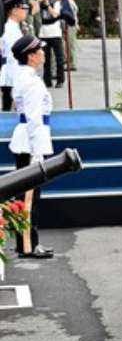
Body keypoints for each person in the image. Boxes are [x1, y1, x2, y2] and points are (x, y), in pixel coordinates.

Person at [10, 34, 54, 259]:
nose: (43, 53)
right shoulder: (31, 82)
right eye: (40, 50)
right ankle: (28, 245)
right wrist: (37, 153)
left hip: (28, 139)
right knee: (29, 197)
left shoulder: (24, 77)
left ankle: (26, 243)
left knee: (27, 195)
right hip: (31, 142)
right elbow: (34, 118)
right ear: (31, 56)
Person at [0, 0, 30, 111]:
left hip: (14, 72)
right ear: (14, 11)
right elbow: (12, 54)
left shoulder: (15, 27)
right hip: (12, 72)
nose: (26, 11)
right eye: (23, 8)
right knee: (9, 107)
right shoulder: (9, 29)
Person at [37, 0, 65, 87]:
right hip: (44, 34)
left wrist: (47, 4)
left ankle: (60, 80)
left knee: (59, 58)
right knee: (46, 59)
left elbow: (55, 14)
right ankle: (47, 80)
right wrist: (38, 0)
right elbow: (33, 12)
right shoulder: (40, 2)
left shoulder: (56, 3)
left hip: (55, 33)